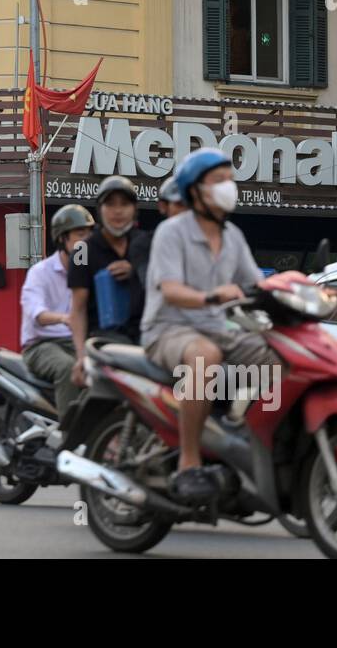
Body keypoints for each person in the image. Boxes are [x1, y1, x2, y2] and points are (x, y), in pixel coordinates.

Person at [143, 148, 281, 503]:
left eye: (230, 180)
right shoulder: (171, 232)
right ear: (195, 191)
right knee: (206, 356)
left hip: (217, 328)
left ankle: (253, 443)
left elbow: (256, 284)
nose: (227, 187)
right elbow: (171, 290)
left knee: (280, 358)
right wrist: (210, 297)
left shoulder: (232, 234)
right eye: (218, 181)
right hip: (168, 329)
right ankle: (189, 462)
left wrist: (297, 291)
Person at [67, 175, 153, 387]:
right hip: (103, 340)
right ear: (100, 209)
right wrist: (81, 357)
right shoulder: (82, 250)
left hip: (148, 335)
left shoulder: (148, 243)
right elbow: (77, 309)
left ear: (134, 209)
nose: (117, 211)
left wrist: (136, 270)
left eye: (124, 204)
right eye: (110, 204)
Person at [21, 204, 95, 415]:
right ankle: (68, 435)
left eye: (90, 235)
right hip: (41, 346)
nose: (87, 241)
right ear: (62, 238)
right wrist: (65, 318)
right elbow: (37, 314)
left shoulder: (90, 271)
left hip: (77, 342)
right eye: (81, 234)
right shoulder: (40, 272)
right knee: (67, 368)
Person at [140, 175, 187, 343]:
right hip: (165, 327)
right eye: (180, 204)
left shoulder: (205, 240)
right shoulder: (156, 238)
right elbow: (162, 287)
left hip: (201, 323)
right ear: (163, 206)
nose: (185, 212)